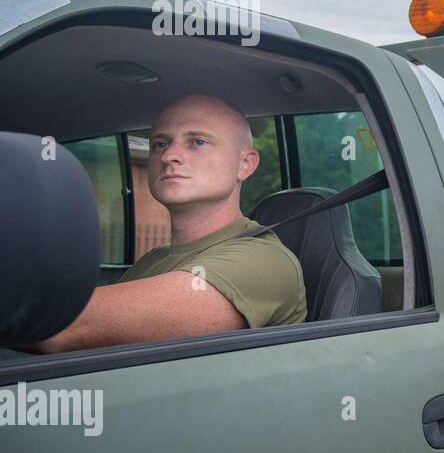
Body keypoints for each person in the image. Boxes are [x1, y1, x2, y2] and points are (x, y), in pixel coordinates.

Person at [29, 94, 306, 353]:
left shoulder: (263, 261)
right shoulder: (155, 259)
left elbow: (64, 327)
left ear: (245, 164)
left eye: (197, 142)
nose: (168, 156)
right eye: (160, 143)